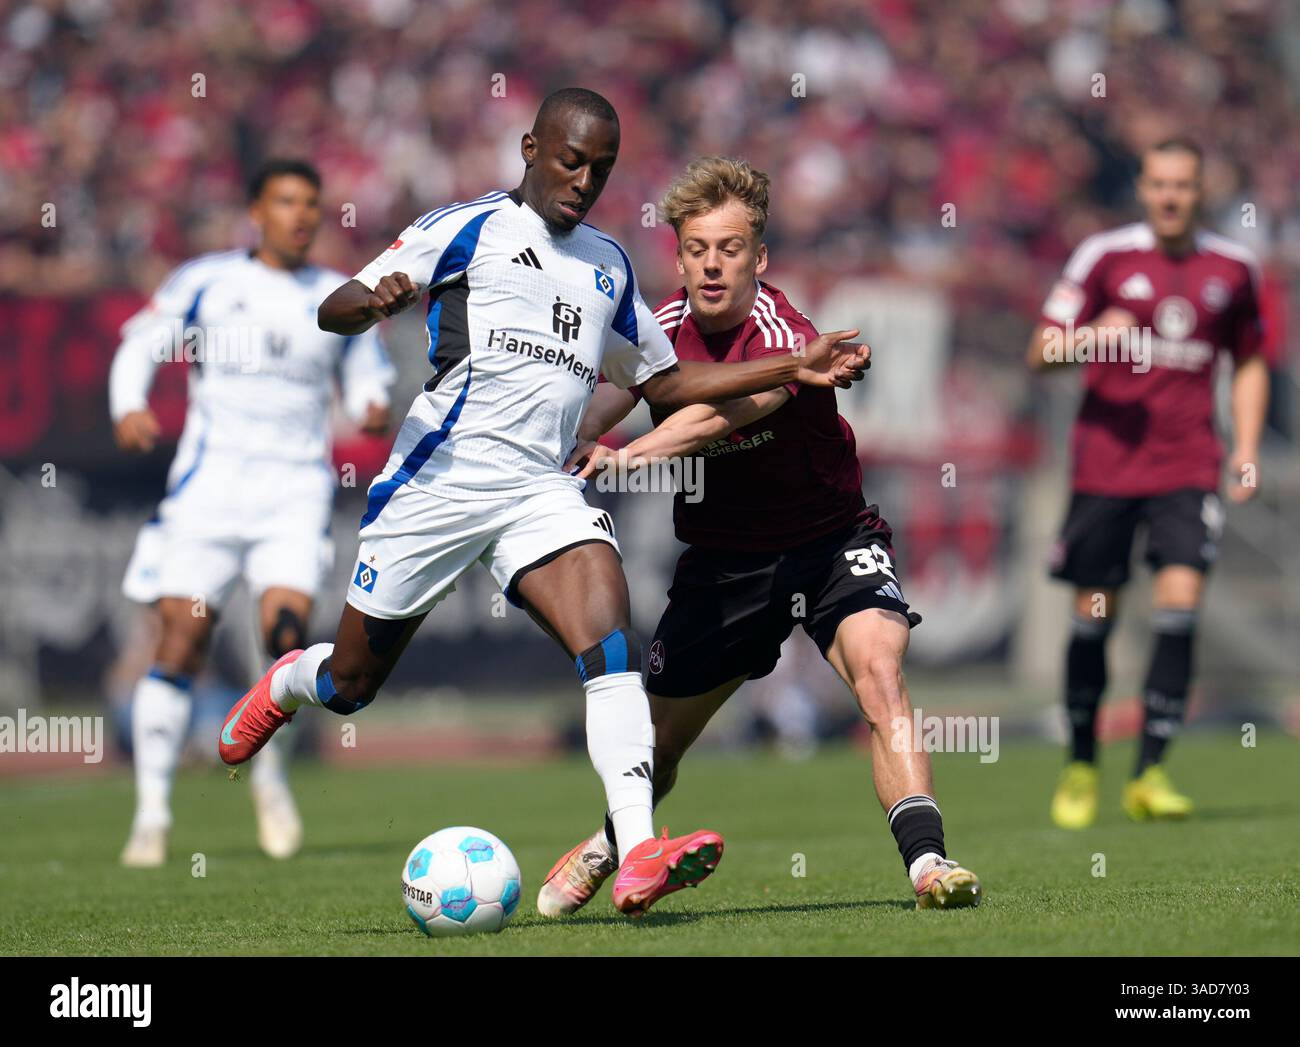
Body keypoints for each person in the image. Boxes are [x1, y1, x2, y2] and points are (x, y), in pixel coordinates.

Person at [216, 90, 870, 918]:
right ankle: (290, 681)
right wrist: (373, 302)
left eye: (601, 168)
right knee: (351, 683)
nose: (585, 180)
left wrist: (790, 365)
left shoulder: (607, 264)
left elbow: (665, 383)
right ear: (531, 149)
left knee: (611, 646)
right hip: (439, 483)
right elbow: (333, 305)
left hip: (538, 488)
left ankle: (639, 851)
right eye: (571, 161)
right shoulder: (468, 228)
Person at [538, 156, 981, 915]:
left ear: (760, 258)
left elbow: (716, 416)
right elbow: (613, 394)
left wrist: (629, 455)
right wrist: (565, 440)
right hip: (725, 566)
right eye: (698, 250)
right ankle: (614, 844)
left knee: (881, 678)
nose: (713, 265)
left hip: (831, 541)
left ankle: (929, 864)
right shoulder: (659, 330)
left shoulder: (786, 337)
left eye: (730, 248)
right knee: (658, 747)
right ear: (680, 258)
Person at [111, 159, 395, 866]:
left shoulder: (338, 295)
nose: (301, 215)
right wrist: (129, 404)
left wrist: (372, 403)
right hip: (209, 491)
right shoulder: (207, 281)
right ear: (256, 212)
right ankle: (151, 815)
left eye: (310, 203)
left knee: (284, 635)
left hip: (293, 494)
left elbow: (370, 376)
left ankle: (269, 776)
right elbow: (140, 342)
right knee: (180, 640)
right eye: (285, 201)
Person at [1027, 138, 1268, 828]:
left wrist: (1246, 448)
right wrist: (1090, 337)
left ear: (1200, 191)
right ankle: (1081, 764)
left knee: (1181, 600)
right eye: (1160, 183)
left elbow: (1250, 361)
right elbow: (1039, 352)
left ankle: (1150, 772)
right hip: (1106, 467)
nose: (1170, 196)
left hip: (1188, 467)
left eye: (1183, 185)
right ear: (1142, 188)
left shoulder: (1234, 268)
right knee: (1094, 615)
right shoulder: (1103, 257)